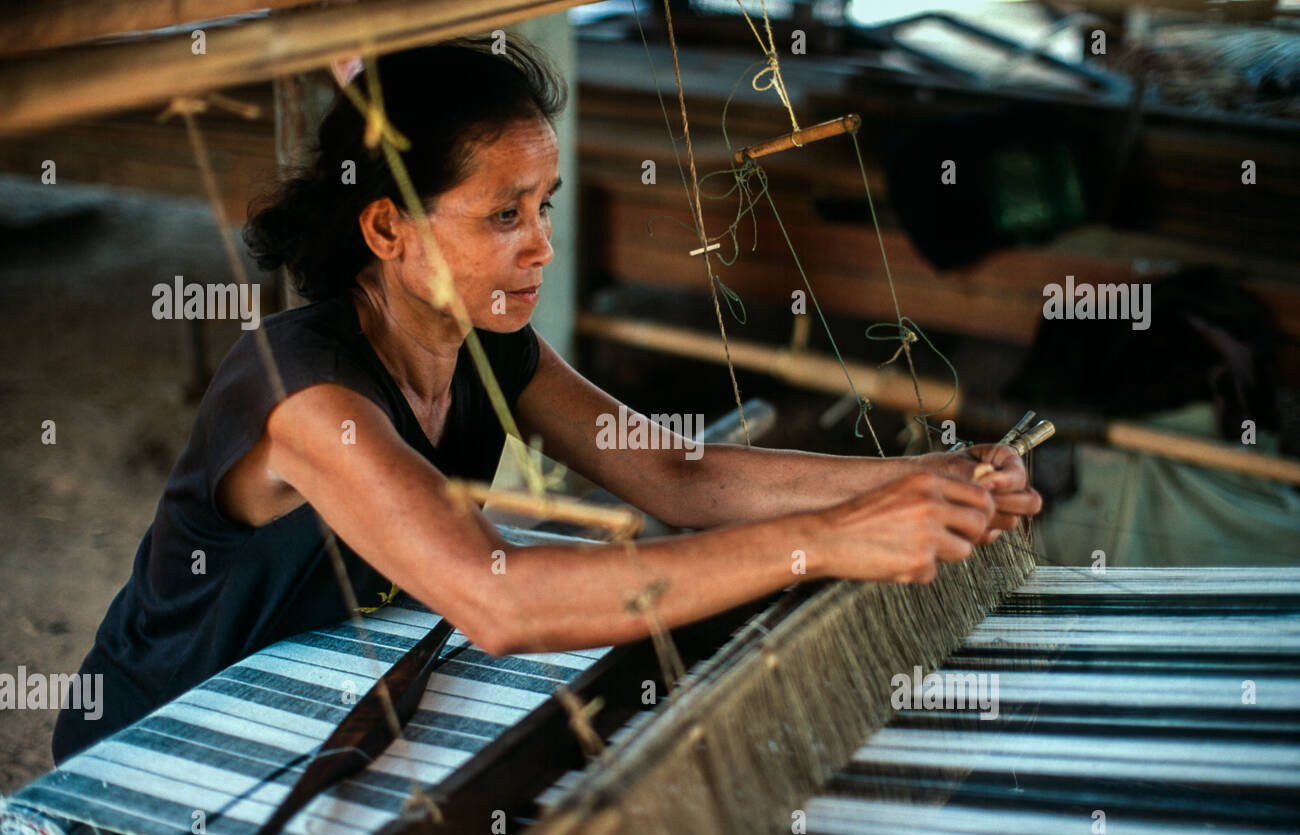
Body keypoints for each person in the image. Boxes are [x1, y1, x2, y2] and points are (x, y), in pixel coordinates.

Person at [52, 36, 1041, 766]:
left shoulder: (492, 349)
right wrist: (821, 542)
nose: (542, 246)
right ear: (389, 227)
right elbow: (496, 598)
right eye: (502, 214)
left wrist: (924, 477)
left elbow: (676, 473)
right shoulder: (306, 393)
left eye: (544, 204)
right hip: (172, 739)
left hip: (335, 700)